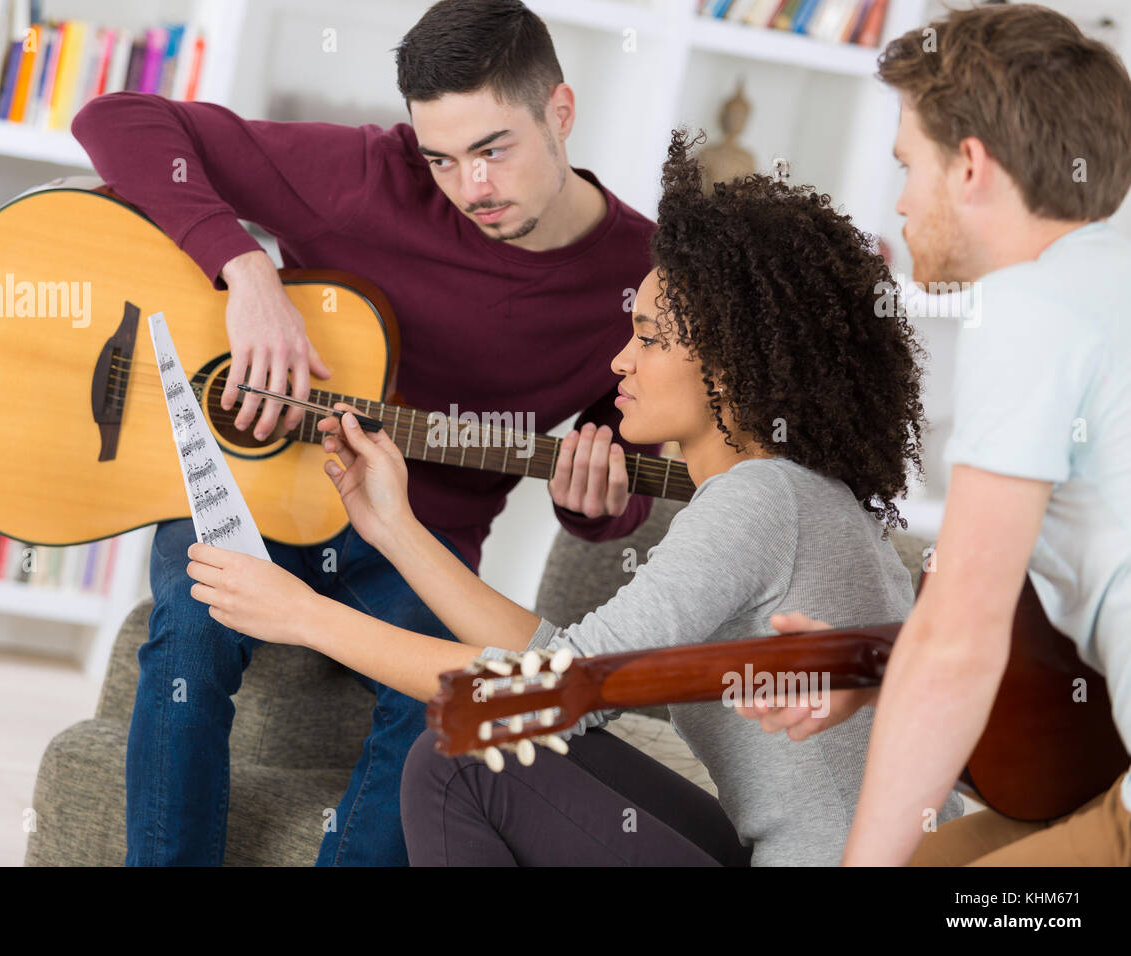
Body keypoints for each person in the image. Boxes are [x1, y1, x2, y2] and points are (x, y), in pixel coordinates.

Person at [186, 128, 963, 865]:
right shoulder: (791, 498)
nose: (621, 361)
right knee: (484, 735)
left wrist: (304, 616)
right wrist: (394, 528)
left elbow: (557, 692)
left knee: (462, 748)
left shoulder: (762, 501)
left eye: (651, 338)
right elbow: (573, 668)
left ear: (733, 363)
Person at [71, 0, 664, 866]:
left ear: (560, 113)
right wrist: (245, 274)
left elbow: (621, 469)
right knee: (187, 642)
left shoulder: (639, 280)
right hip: (263, 490)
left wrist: (595, 504)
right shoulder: (365, 175)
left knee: (442, 709)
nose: (472, 189)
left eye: (494, 150)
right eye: (444, 159)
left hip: (424, 540)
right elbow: (116, 118)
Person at [740, 3, 1131, 866]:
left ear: (972, 167)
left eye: (907, 165)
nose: (901, 203)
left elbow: (962, 642)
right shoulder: (1108, 280)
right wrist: (891, 661)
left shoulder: (1034, 310)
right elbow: (1027, 621)